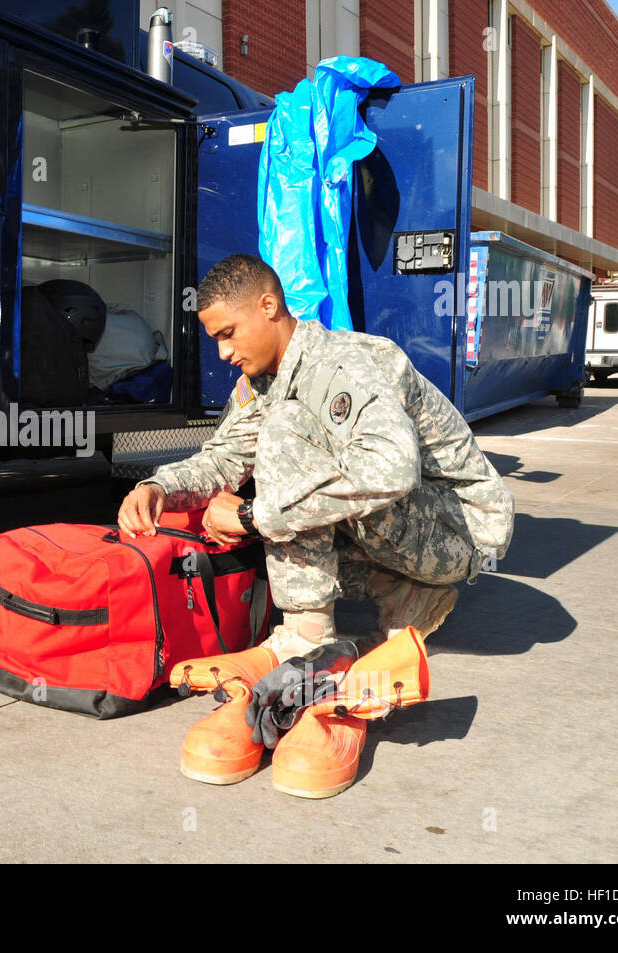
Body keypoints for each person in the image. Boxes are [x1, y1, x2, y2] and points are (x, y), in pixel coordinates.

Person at [116, 252, 514, 797]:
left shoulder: (343, 364)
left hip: (461, 526)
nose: (224, 351)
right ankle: (406, 595)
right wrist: (157, 486)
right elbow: (221, 458)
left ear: (269, 305)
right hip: (403, 533)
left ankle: (305, 642)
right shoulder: (264, 381)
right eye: (216, 339)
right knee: (274, 482)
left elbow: (391, 469)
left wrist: (258, 515)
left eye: (229, 333)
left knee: (282, 454)